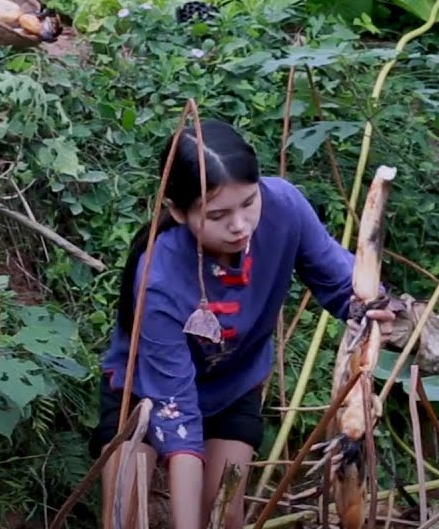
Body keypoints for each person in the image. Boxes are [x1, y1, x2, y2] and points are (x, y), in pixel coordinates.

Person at [90, 118, 396, 529]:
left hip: (233, 385)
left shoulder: (283, 206)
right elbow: (176, 414)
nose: (240, 225)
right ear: (179, 212)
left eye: (249, 203)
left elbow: (344, 283)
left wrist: (373, 309)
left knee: (224, 514)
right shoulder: (158, 277)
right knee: (124, 515)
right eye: (217, 215)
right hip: (144, 392)